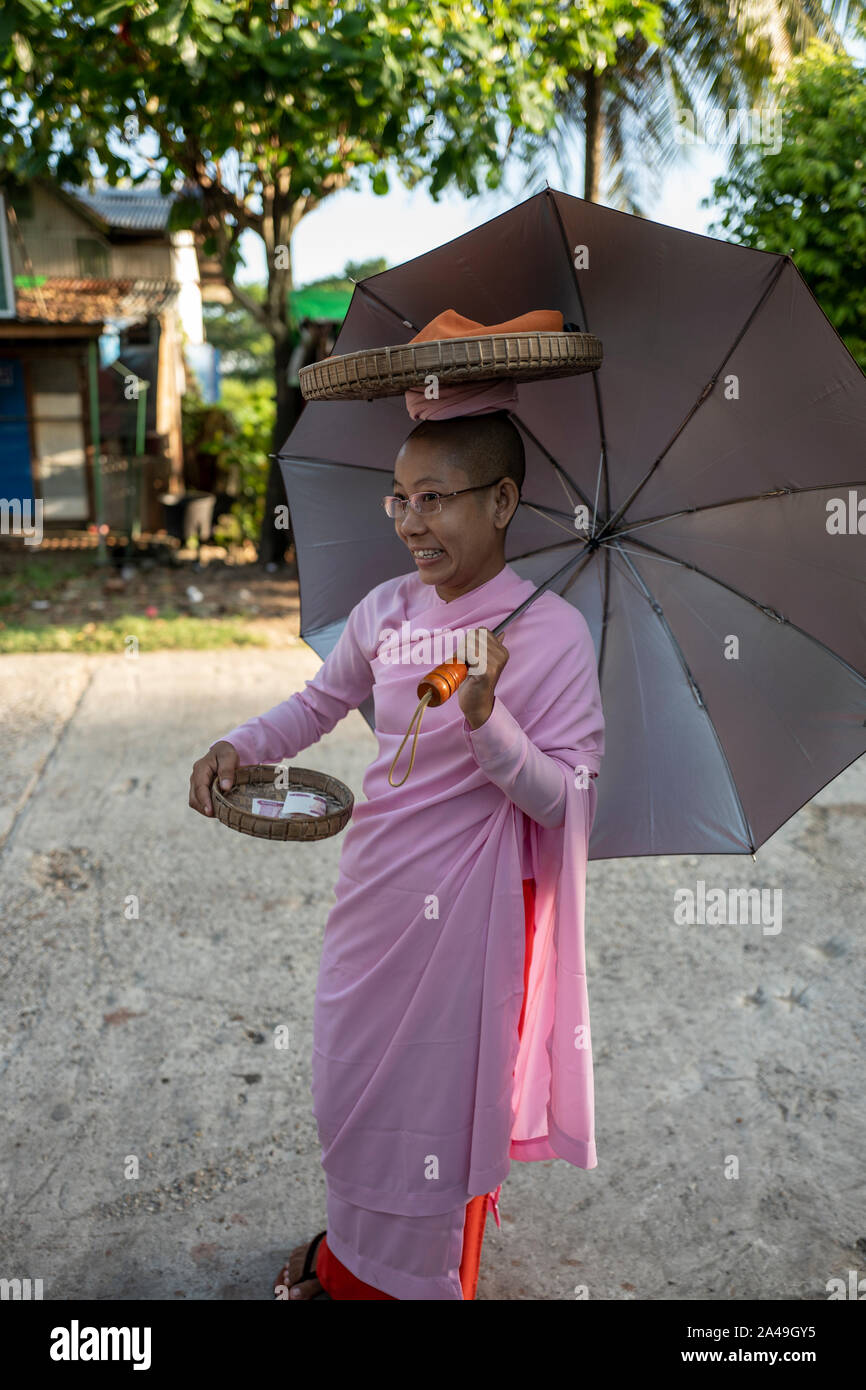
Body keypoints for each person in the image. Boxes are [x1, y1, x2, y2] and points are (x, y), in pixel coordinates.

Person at [189, 404, 604, 1300]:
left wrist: (491, 723)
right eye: (399, 501)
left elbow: (567, 801)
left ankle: (395, 1280)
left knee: (433, 1109)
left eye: (435, 498)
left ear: (501, 501)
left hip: (469, 921)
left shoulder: (553, 636)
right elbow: (318, 704)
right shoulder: (387, 611)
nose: (413, 522)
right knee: (349, 1090)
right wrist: (241, 743)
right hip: (374, 895)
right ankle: (351, 1250)